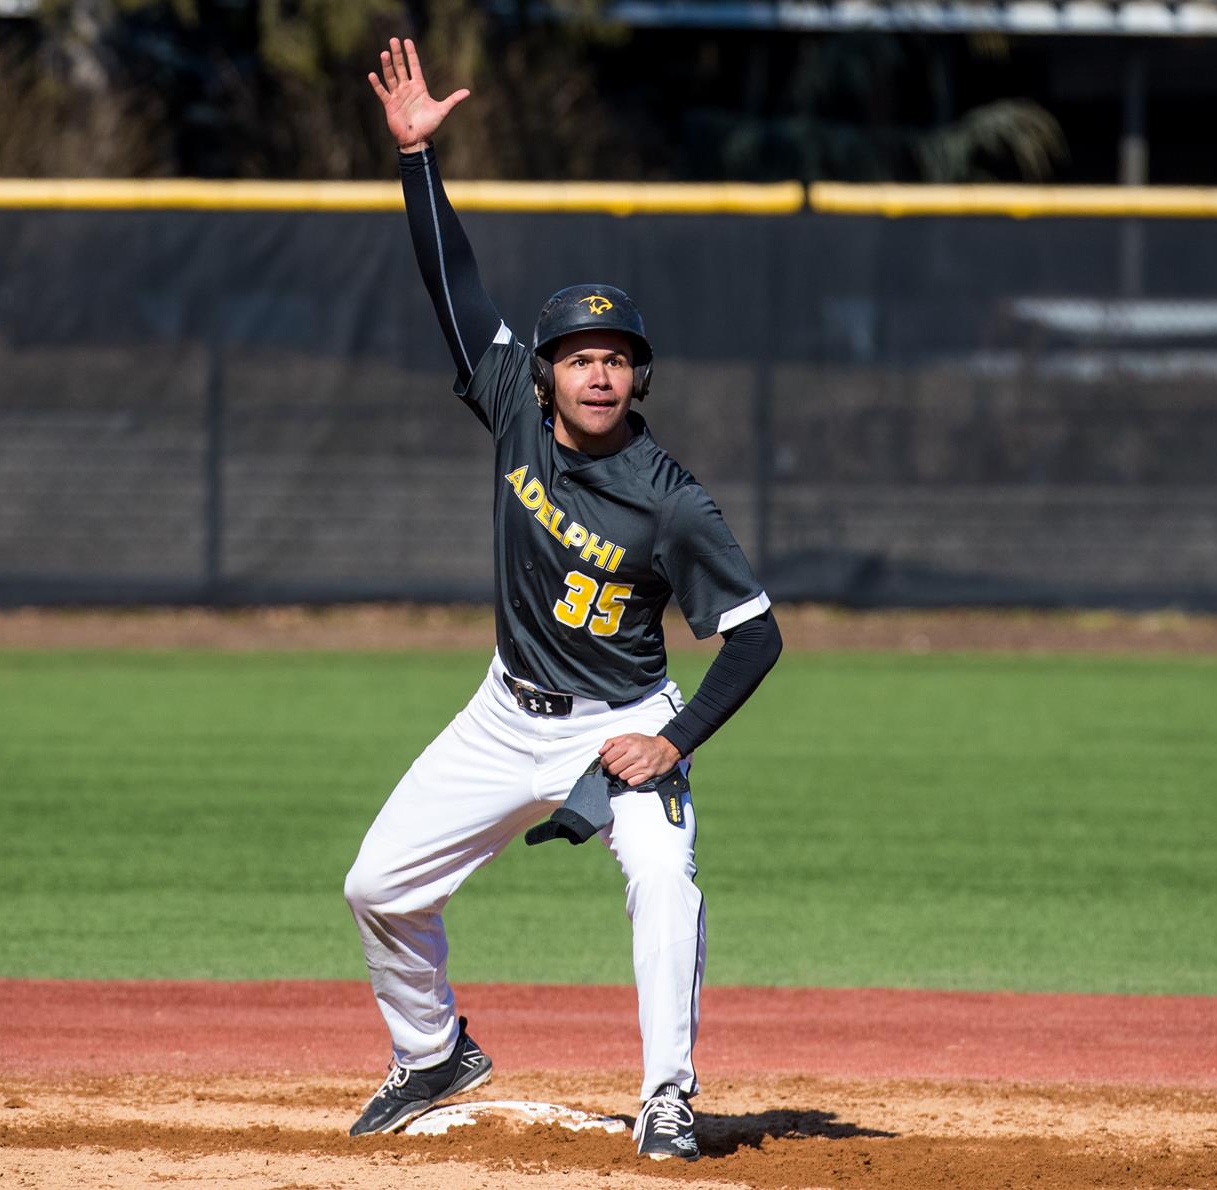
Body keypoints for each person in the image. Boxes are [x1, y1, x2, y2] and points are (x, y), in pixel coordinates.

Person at [342, 37, 782, 1163]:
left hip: (619, 720)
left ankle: (667, 1095)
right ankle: (430, 1048)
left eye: (616, 356)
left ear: (640, 376)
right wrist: (414, 161)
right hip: (503, 713)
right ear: (543, 371)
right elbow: (454, 283)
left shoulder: (672, 500)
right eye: (577, 354)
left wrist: (670, 739)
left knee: (662, 878)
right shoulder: (512, 409)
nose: (596, 371)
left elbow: (754, 635)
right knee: (379, 883)